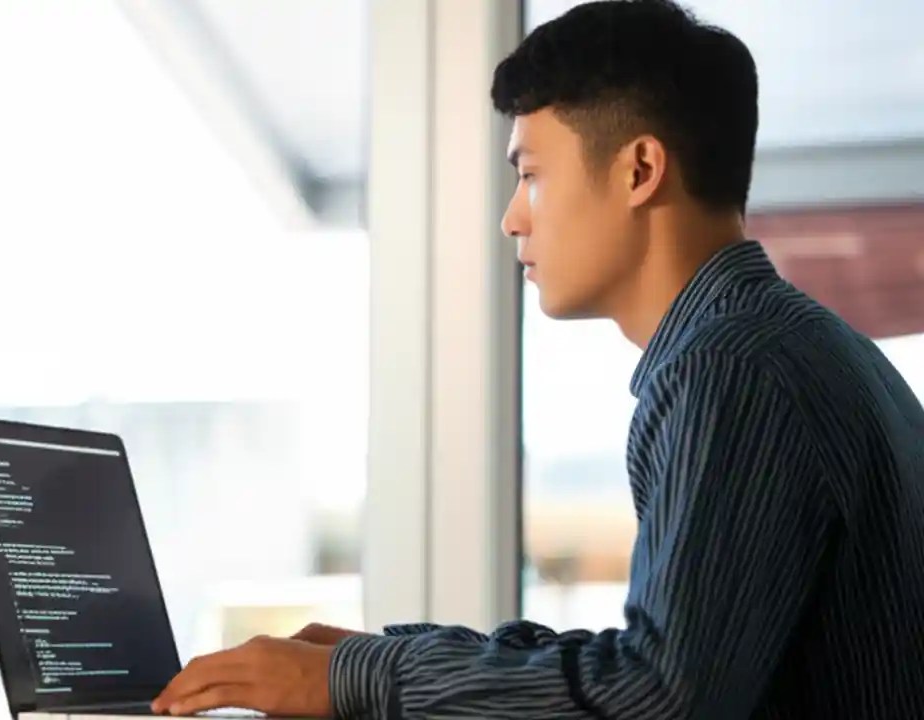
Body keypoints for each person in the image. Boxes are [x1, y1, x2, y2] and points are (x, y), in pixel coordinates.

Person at [151, 0, 924, 717]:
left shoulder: (729, 368)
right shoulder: (805, 346)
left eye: (530, 174)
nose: (511, 217)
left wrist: (361, 682)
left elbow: (659, 693)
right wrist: (380, 660)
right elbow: (668, 662)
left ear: (639, 169)